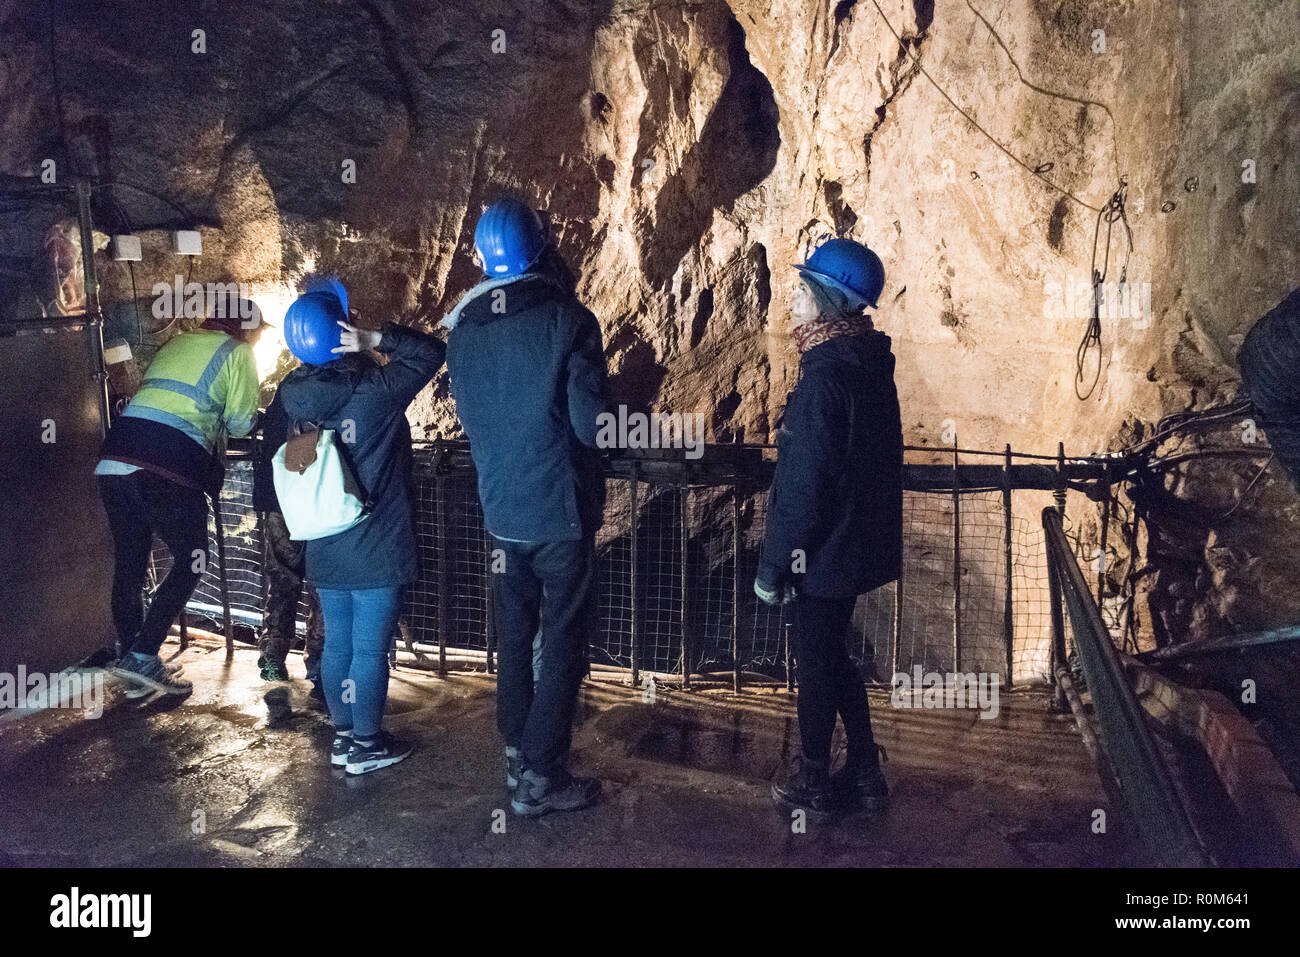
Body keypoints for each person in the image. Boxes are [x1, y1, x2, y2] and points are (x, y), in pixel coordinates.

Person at [443, 196, 607, 816]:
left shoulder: (463, 333)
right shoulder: (569, 321)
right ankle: (542, 777)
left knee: (513, 637)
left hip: (501, 514)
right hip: (558, 514)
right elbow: (594, 427)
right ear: (542, 247)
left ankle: (516, 753)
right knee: (561, 642)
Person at [755, 238, 902, 823]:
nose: (791, 300)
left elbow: (803, 486)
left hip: (821, 553)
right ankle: (865, 769)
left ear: (827, 301)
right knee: (833, 658)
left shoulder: (825, 378)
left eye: (801, 290)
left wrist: (775, 565)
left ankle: (814, 779)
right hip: (852, 546)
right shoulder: (866, 365)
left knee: (816, 665)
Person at [277, 285, 444, 775]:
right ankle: (367, 745)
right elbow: (433, 351)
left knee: (340, 645)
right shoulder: (374, 393)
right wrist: (375, 337)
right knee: (370, 649)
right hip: (375, 545)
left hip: (326, 541)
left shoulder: (293, 396)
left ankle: (345, 737)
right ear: (341, 334)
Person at [95, 299, 262, 696]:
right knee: (192, 559)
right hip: (164, 466)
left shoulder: (178, 341)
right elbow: (241, 420)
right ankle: (145, 655)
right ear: (245, 328)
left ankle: (132, 660)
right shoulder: (238, 352)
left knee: (131, 564)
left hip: (115, 461)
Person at [252, 383, 325, 695]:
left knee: (283, 579)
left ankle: (272, 657)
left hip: (277, 497)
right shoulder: (338, 387)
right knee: (324, 585)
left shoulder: (289, 388)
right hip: (321, 499)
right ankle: (321, 667)